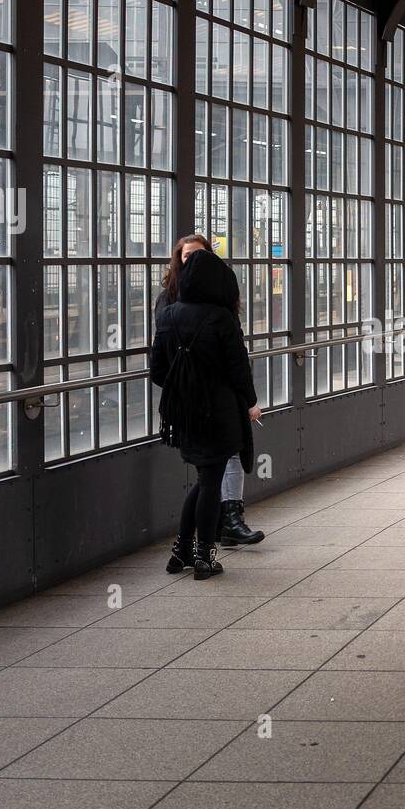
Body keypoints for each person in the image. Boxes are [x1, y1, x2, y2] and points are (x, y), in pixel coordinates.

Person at [150, 247, 261, 580]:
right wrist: (249, 402)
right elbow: (239, 370)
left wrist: (186, 383)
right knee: (210, 484)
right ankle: (204, 556)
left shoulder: (168, 316)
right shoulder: (222, 318)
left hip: (185, 413)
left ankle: (181, 551)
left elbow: (158, 371)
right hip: (220, 413)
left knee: (205, 479)